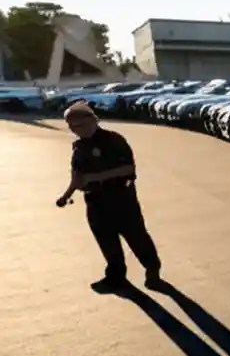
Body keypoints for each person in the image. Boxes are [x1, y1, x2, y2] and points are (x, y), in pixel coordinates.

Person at [55, 102, 163, 292]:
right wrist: (66, 196)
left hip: (121, 198)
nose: (75, 130)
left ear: (92, 120)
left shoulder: (114, 140)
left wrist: (94, 177)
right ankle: (116, 277)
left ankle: (152, 271)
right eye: (71, 126)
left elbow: (128, 169)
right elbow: (77, 177)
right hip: (95, 201)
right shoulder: (79, 148)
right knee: (107, 242)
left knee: (137, 238)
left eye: (79, 125)